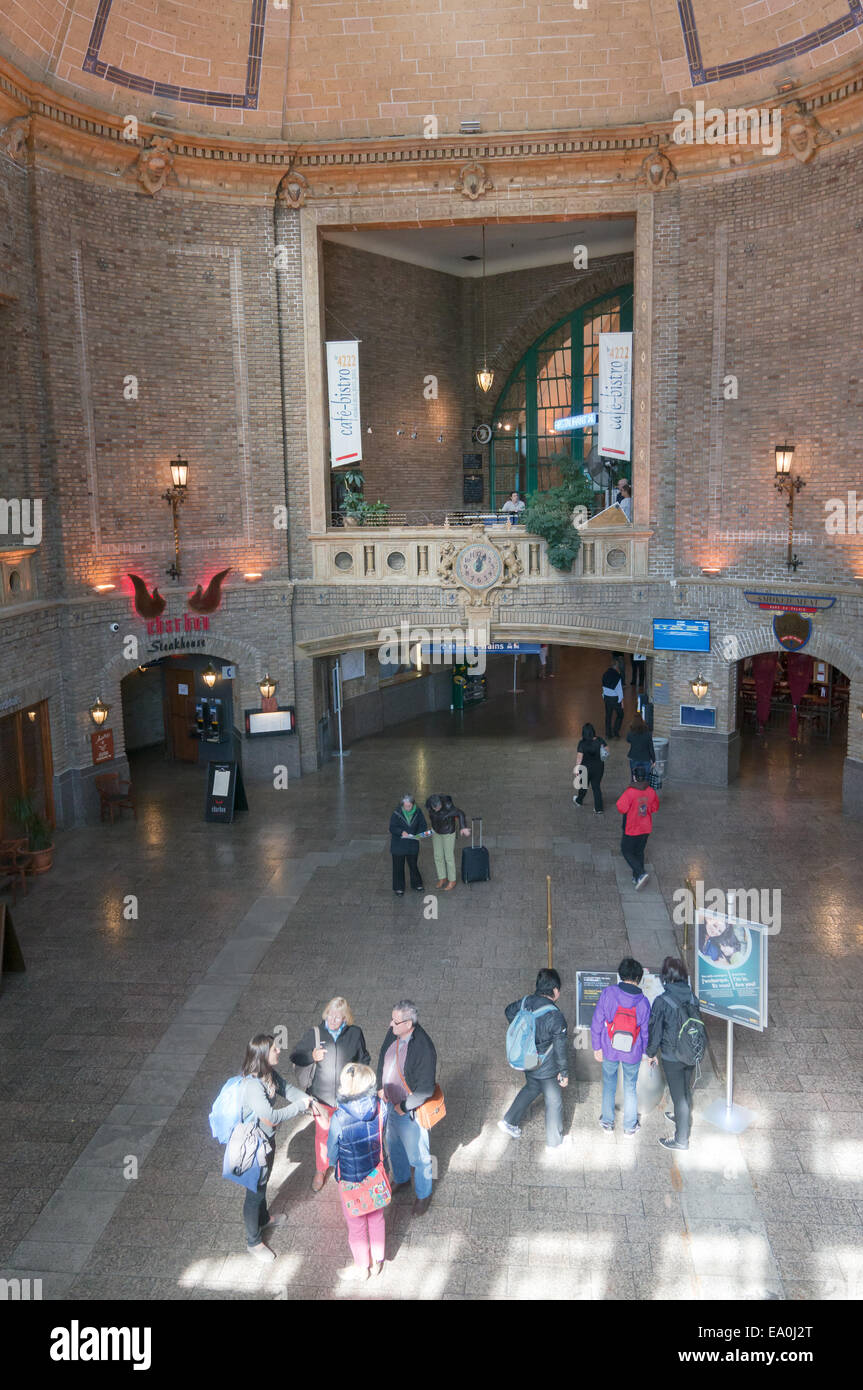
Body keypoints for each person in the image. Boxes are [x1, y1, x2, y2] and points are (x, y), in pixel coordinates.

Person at [237, 1033, 322, 1260]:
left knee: (262, 1185)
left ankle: (264, 1220)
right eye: (275, 1049)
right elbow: (272, 1115)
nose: (279, 1051)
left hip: (266, 1141)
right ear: (264, 1054)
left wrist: (307, 1100)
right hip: (254, 1147)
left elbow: (287, 1089)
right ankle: (253, 1242)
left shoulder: (268, 1074)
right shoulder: (253, 1086)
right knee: (254, 1193)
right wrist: (300, 1107)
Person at [290, 996, 370, 1193]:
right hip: (322, 1098)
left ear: (345, 1018)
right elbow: (295, 1055)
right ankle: (321, 1169)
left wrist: (358, 1077)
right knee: (322, 1135)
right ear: (326, 1014)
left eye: (339, 1017)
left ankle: (344, 1169)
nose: (334, 1021)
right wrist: (312, 1056)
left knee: (346, 1135)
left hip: (347, 1098)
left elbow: (364, 1058)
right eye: (331, 1016)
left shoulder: (355, 1033)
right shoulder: (315, 1034)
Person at [376, 1000, 438, 1215]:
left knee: (419, 1156)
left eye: (395, 1021)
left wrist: (404, 1106)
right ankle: (401, 1179)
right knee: (394, 1147)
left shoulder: (424, 1048)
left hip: (408, 1111)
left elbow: (425, 1089)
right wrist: (379, 1087)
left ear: (409, 1023)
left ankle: (423, 1194)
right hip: (389, 1104)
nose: (390, 1024)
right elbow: (382, 1058)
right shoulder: (394, 1032)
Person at [327, 1063, 387, 1282]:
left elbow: (332, 1153)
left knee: (356, 1223)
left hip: (351, 1178)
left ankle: (363, 1267)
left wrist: (333, 1162)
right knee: (377, 1217)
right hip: (376, 1172)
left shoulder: (339, 1117)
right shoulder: (380, 1107)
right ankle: (378, 1260)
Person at [498, 968, 569, 1151]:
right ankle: (554, 1142)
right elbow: (560, 1048)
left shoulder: (526, 1002)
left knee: (532, 1086)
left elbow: (508, 1011)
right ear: (554, 990)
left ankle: (509, 1121)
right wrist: (564, 1072)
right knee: (554, 1100)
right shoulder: (555, 1016)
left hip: (527, 1058)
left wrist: (525, 1033)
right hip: (546, 1063)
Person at [646, 957, 702, 1151]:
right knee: (685, 1088)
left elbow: (655, 1031)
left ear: (665, 977)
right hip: (692, 1051)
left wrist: (651, 1053)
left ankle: (681, 1140)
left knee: (679, 1097)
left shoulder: (662, 1001)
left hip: (672, 1056)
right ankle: (680, 1116)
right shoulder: (693, 996)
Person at [590, 957, 651, 1135]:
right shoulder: (643, 1002)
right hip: (633, 1052)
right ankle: (630, 1126)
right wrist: (646, 1052)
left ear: (621, 975)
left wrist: (596, 1046)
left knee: (609, 1084)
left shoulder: (608, 993)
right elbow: (645, 1031)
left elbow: (597, 1022)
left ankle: (607, 1122)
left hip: (609, 1048)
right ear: (638, 978)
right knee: (630, 1086)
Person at [616, 768, 659, 889]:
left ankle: (641, 873)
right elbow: (655, 807)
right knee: (639, 852)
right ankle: (636, 878)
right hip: (645, 828)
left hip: (632, 828)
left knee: (626, 851)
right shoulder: (651, 791)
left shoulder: (630, 792)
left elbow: (621, 808)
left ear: (634, 777)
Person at [425, 793, 470, 890]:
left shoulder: (448, 806)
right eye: (435, 808)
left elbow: (460, 813)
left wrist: (463, 827)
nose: (437, 809)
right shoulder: (429, 804)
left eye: (439, 807)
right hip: (436, 831)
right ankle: (442, 877)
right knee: (438, 855)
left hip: (448, 832)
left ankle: (452, 880)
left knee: (448, 856)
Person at [389, 793, 429, 896]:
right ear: (402, 805)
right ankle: (399, 888)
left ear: (413, 804)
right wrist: (401, 832)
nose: (407, 808)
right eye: (405, 806)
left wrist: (417, 834)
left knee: (413, 865)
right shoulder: (396, 813)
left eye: (409, 806)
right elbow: (392, 827)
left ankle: (417, 884)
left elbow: (423, 825)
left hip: (412, 844)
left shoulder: (418, 812)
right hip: (398, 845)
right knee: (398, 867)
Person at [573, 721, 607, 814]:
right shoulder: (600, 740)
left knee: (583, 786)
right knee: (596, 787)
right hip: (598, 767)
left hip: (585, 769)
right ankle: (598, 808)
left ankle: (579, 800)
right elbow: (606, 750)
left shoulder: (582, 743)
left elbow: (579, 757)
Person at [626, 712, 656, 780]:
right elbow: (651, 747)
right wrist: (654, 760)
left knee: (634, 778)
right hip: (646, 758)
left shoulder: (631, 733)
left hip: (634, 757)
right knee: (646, 778)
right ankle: (644, 790)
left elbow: (628, 740)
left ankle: (635, 789)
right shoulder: (648, 734)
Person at [602, 658, 625, 739]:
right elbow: (619, 690)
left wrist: (604, 696)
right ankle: (616, 732)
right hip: (614, 698)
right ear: (616, 666)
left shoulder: (605, 674)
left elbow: (603, 687)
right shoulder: (617, 676)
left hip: (607, 698)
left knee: (608, 715)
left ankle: (608, 734)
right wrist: (621, 701)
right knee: (620, 714)